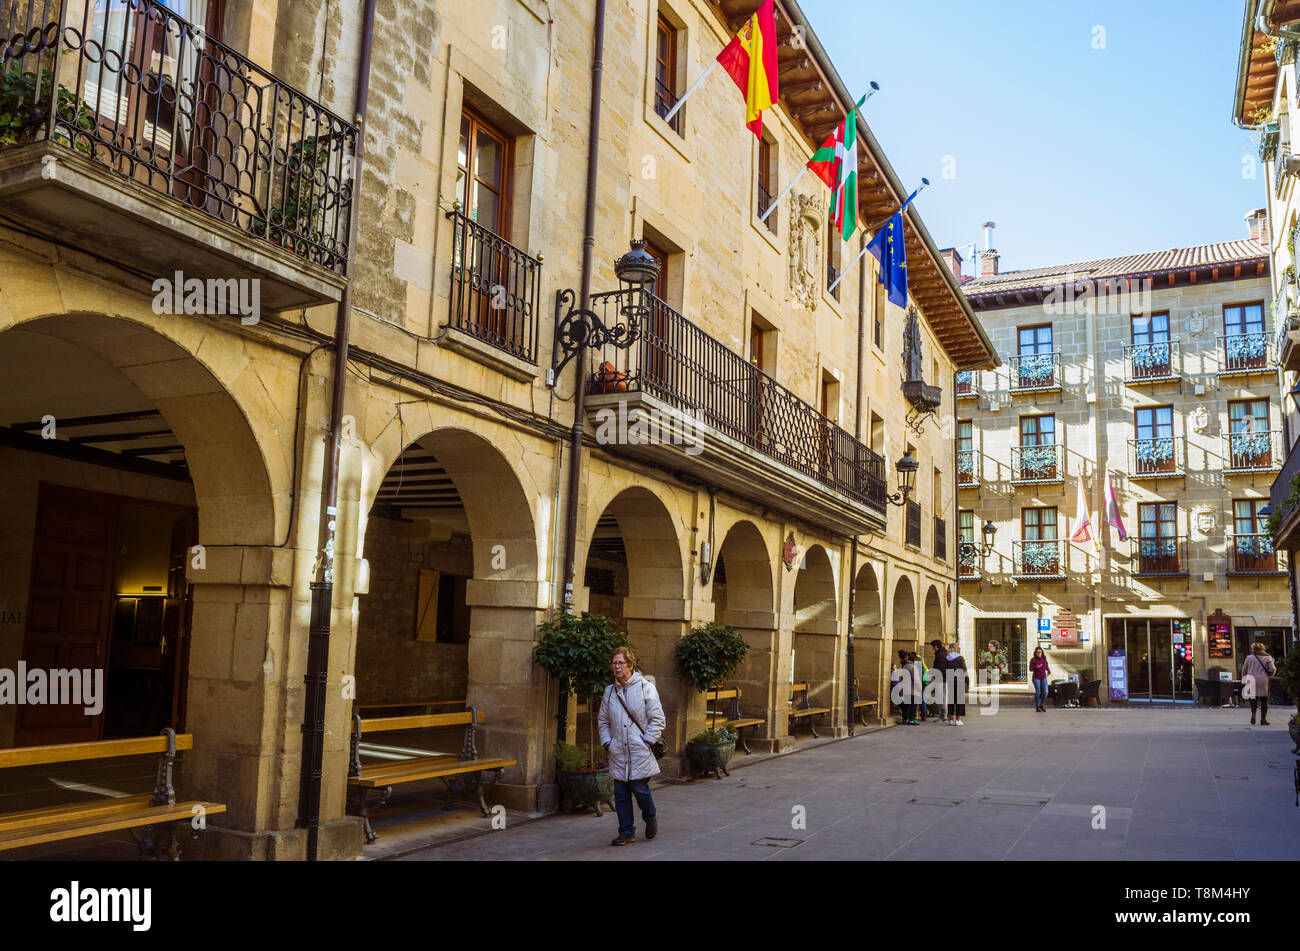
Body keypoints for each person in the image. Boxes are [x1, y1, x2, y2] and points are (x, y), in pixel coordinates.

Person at [598, 646, 666, 845]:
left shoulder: (646, 687)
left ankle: (650, 817)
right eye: (614, 663)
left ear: (630, 665)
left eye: (621, 663)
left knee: (640, 789)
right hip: (618, 750)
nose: (617, 667)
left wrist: (647, 741)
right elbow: (602, 721)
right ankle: (626, 831)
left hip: (639, 749)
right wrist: (608, 742)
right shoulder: (609, 691)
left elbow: (658, 719)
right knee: (620, 794)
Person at [1241, 642, 1276, 726]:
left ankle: (1253, 714)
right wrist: (1272, 674)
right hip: (1263, 681)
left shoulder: (1249, 658)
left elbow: (1244, 669)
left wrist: (1244, 678)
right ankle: (1263, 720)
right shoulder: (1268, 657)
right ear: (1263, 648)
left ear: (1253, 649)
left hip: (1251, 680)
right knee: (1264, 700)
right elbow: (1273, 669)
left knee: (1253, 699)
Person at [945, 644, 968, 725]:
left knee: (951, 700)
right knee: (959, 701)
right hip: (959, 681)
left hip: (950, 681)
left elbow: (945, 670)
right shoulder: (960, 658)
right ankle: (958, 720)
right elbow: (964, 670)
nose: (959, 649)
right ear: (956, 649)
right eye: (959, 648)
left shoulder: (947, 658)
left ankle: (951, 719)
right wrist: (967, 681)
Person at [929, 640, 948, 723]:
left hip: (941, 679)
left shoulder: (940, 655)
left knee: (941, 697)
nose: (932, 649)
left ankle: (943, 716)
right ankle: (945, 715)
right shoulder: (944, 653)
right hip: (945, 678)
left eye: (933, 647)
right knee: (944, 697)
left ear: (936, 646)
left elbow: (939, 667)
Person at [903, 652, 923, 725]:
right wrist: (920, 688)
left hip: (906, 689)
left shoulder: (905, 666)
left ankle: (906, 719)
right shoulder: (913, 668)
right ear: (914, 660)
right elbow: (916, 680)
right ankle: (912, 719)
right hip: (913, 690)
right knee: (913, 706)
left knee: (907, 705)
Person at [1029, 646, 1051, 713]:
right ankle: (1037, 707)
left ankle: (1042, 705)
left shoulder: (1044, 658)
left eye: (1040, 652)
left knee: (1046, 692)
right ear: (1035, 653)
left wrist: (1049, 671)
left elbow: (1046, 666)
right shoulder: (1033, 660)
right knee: (1038, 692)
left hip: (1043, 677)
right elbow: (1030, 669)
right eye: (1037, 652)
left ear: (1042, 652)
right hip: (1036, 678)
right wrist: (1036, 667)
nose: (1038, 653)